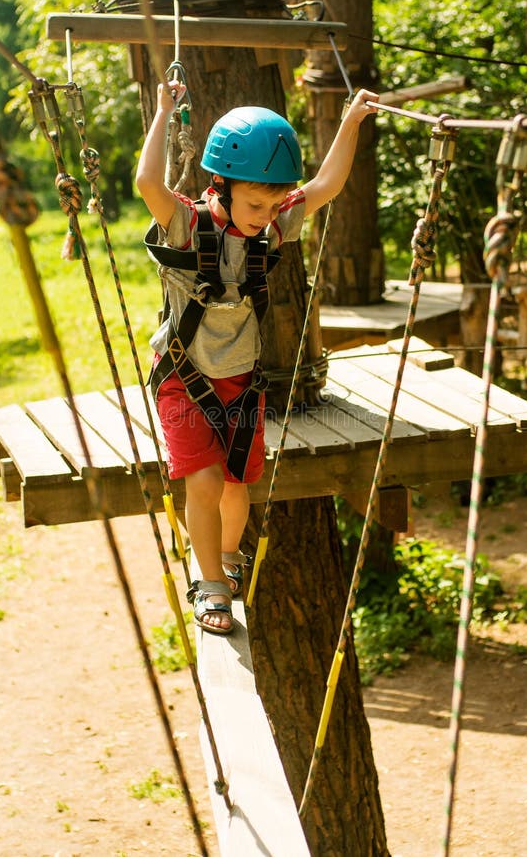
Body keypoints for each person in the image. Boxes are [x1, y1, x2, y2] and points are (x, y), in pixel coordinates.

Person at [136, 81, 378, 635]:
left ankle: (225, 557)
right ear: (219, 185)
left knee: (237, 487)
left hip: (242, 382)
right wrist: (163, 110)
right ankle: (211, 583)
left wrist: (350, 122)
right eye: (254, 203)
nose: (265, 214)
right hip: (184, 376)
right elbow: (148, 181)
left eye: (273, 203)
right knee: (203, 482)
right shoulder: (186, 223)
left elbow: (325, 187)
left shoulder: (271, 224)